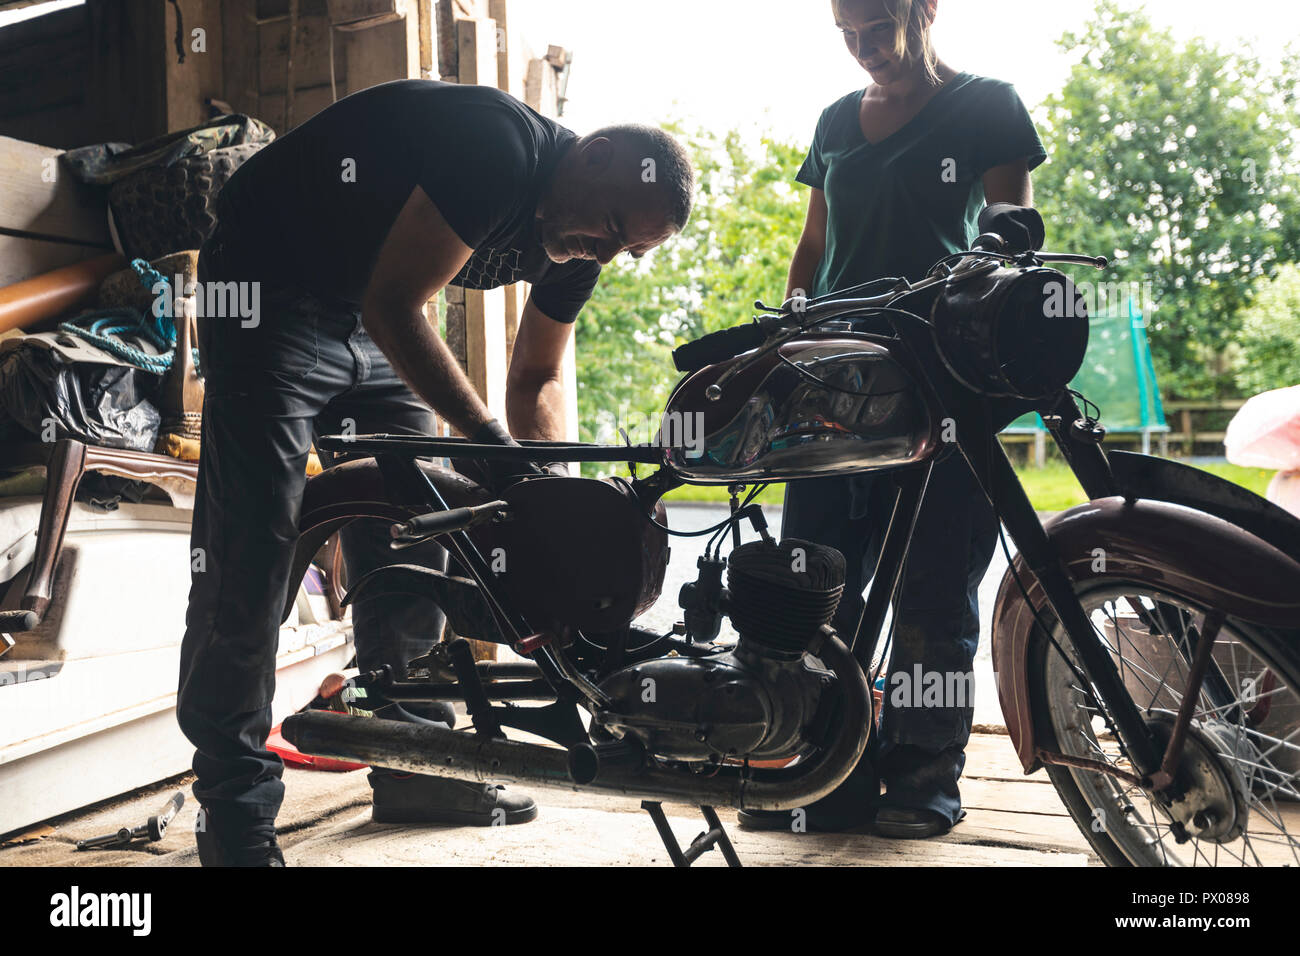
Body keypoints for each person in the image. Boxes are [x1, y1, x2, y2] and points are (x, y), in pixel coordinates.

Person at [178, 78, 694, 866]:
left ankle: (417, 763)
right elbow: (396, 306)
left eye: (629, 250)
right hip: (268, 290)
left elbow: (537, 379)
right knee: (252, 545)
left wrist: (543, 487)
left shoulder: (581, 243)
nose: (606, 252)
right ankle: (235, 818)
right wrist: (487, 444)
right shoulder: (500, 150)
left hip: (363, 310)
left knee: (418, 529)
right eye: (613, 228)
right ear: (594, 156)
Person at [739, 0, 1047, 838]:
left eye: (878, 26)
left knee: (931, 592)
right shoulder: (837, 120)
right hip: (834, 380)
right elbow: (815, 244)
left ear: (925, 9)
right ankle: (820, 769)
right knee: (815, 584)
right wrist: (792, 326)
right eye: (847, 32)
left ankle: (922, 774)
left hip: (941, 374)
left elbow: (1009, 236)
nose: (863, 47)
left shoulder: (987, 104)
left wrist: (993, 261)